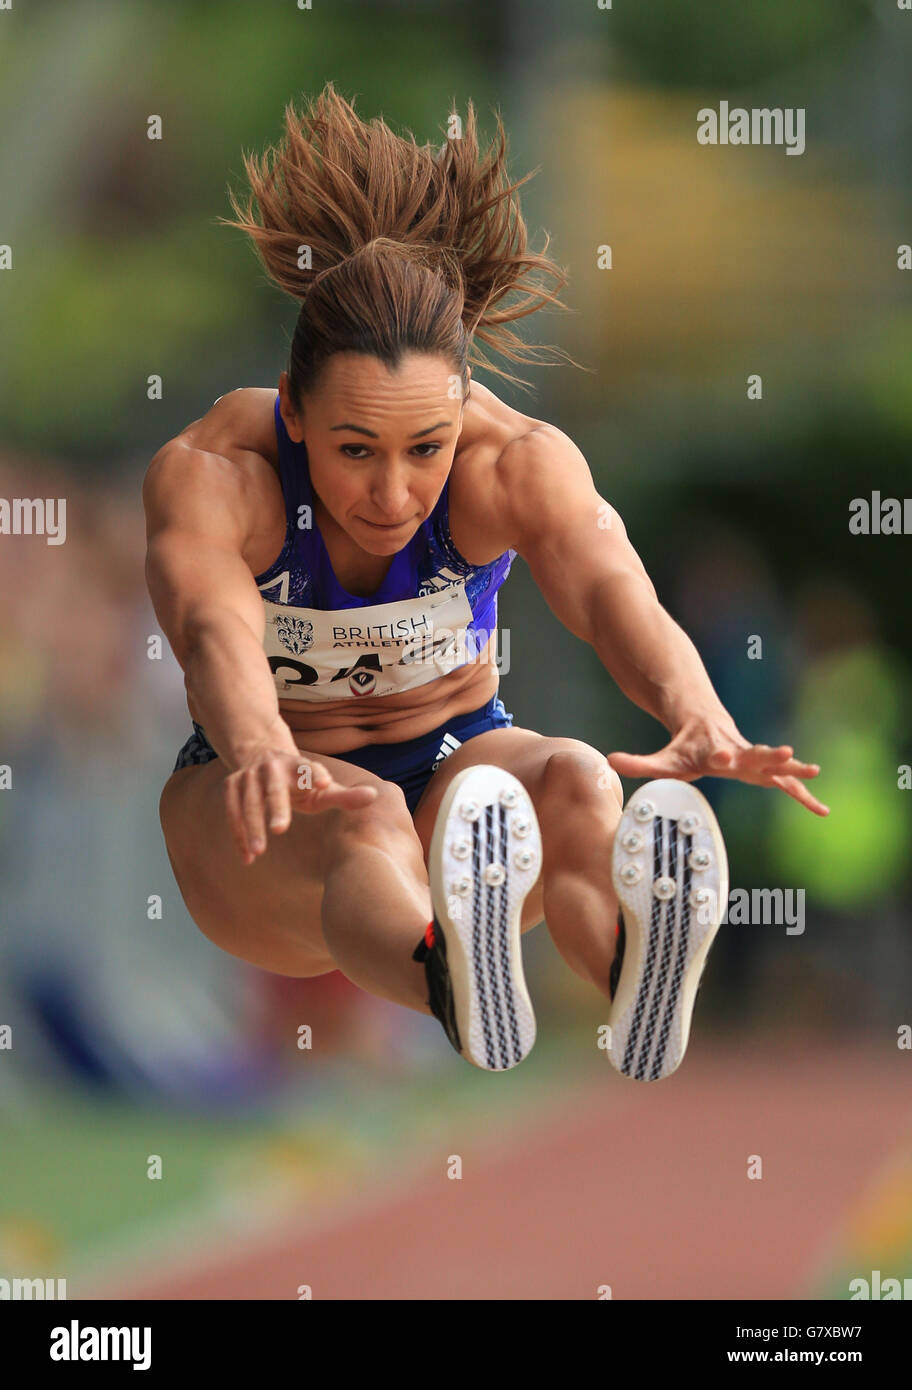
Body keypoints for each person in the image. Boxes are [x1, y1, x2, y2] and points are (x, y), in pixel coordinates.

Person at [143, 84, 827, 1083]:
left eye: (426, 448)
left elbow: (612, 593)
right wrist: (255, 742)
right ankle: (452, 982)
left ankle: (634, 979)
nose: (393, 492)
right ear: (292, 409)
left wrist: (697, 709)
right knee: (361, 814)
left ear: (463, 409)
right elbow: (212, 628)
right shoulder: (218, 475)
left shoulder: (515, 461)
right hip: (262, 816)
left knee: (579, 777)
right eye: (355, 449)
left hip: (457, 785)